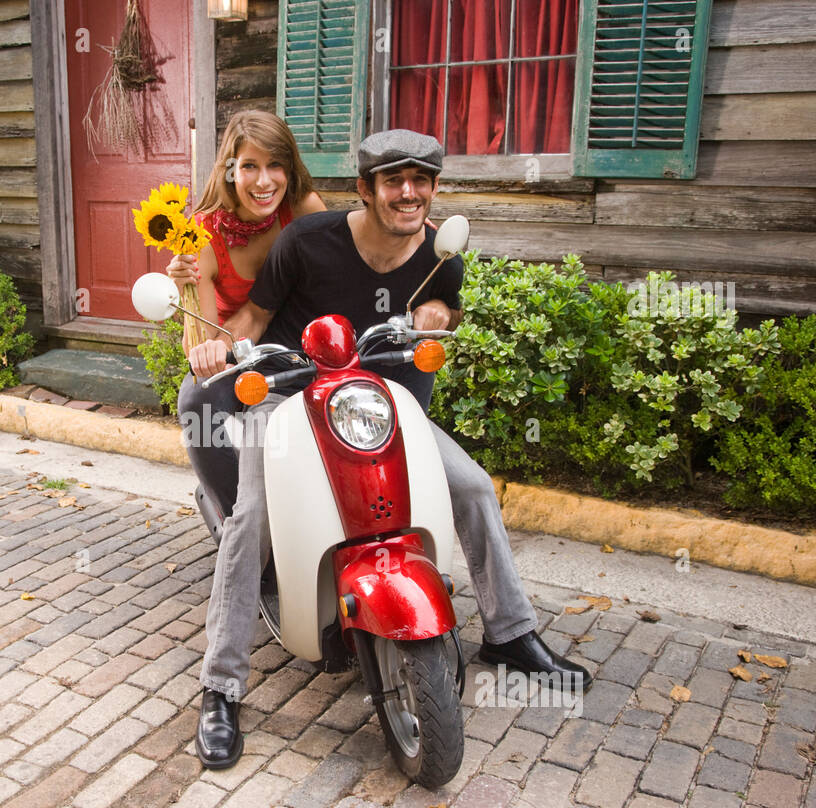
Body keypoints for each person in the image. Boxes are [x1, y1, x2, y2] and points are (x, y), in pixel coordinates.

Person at [187, 129, 594, 770]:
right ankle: (221, 687)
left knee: (473, 488)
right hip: (288, 398)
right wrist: (214, 348)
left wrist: (439, 315)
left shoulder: (439, 253)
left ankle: (511, 634)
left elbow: (443, 309)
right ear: (366, 190)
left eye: (421, 180)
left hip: (375, 407)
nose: (409, 192)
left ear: (433, 188)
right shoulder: (308, 241)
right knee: (253, 516)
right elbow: (254, 322)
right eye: (393, 180)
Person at [170, 110, 326, 517]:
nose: (263, 181)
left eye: (275, 165)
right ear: (229, 171)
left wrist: (405, 230)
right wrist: (201, 341)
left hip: (299, 343)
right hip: (237, 350)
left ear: (290, 168)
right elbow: (203, 336)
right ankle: (236, 512)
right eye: (250, 166)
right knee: (197, 402)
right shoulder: (202, 233)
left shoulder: (304, 207)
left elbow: (343, 261)